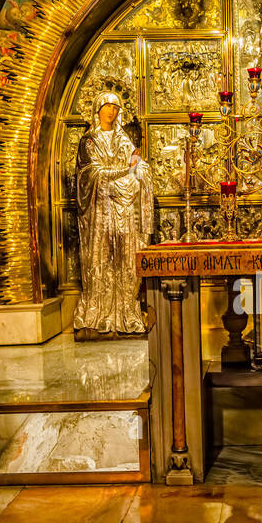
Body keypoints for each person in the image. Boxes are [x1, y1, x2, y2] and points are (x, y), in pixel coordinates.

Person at [74, 91, 154, 339]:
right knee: (101, 258)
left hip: (124, 208)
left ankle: (126, 311)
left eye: (116, 107)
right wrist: (123, 171)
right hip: (100, 212)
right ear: (97, 110)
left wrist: (136, 172)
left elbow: (137, 167)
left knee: (124, 258)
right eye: (106, 106)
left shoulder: (123, 139)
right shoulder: (89, 141)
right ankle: (97, 312)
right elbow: (90, 175)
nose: (111, 111)